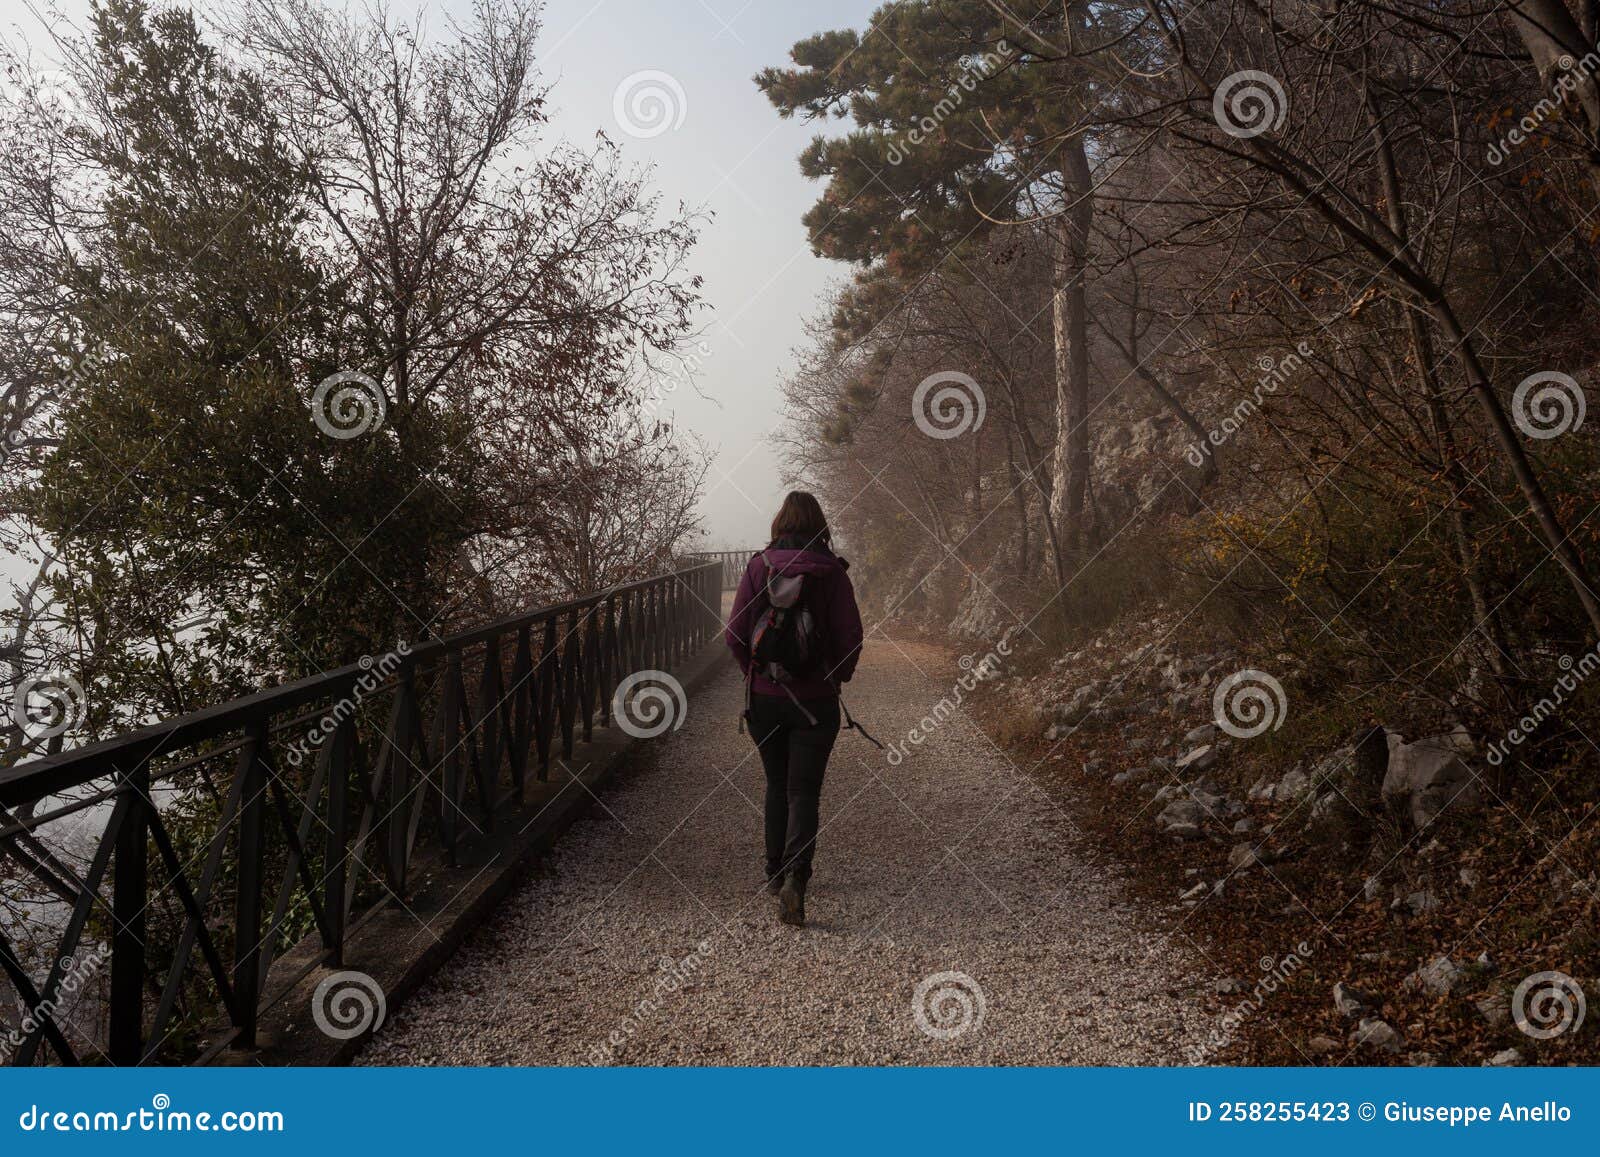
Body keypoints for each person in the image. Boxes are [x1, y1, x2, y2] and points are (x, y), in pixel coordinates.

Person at [724, 491, 863, 927]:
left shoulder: (758, 567)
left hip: (765, 700)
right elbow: (850, 639)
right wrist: (834, 678)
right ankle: (796, 880)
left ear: (780, 523)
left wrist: (755, 674)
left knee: (775, 784)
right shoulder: (833, 575)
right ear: (819, 525)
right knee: (803, 790)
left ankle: (774, 872)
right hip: (815, 703)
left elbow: (734, 634)